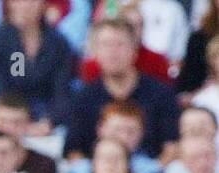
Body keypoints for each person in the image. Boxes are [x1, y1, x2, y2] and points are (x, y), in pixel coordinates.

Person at [65, 17, 179, 161]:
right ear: (95, 52)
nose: (113, 52)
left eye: (120, 44)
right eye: (106, 44)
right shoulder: (83, 98)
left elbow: (172, 147)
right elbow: (73, 151)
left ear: (134, 50)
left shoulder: (161, 95)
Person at [0, 0, 76, 133]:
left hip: (48, 121)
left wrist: (49, 122)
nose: (26, 5)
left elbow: (62, 91)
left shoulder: (58, 44)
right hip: (8, 119)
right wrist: (20, 122)